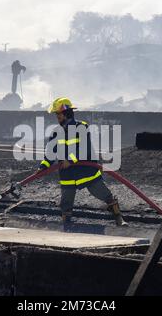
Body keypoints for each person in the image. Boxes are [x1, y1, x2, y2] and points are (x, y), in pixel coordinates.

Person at [38, 97, 128, 231]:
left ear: (67, 113)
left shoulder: (82, 127)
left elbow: (84, 148)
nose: (57, 117)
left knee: (104, 194)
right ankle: (67, 227)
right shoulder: (56, 132)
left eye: (58, 113)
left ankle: (119, 218)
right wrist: (43, 166)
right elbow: (50, 152)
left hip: (86, 171)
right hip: (67, 174)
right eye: (56, 114)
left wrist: (70, 160)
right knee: (66, 202)